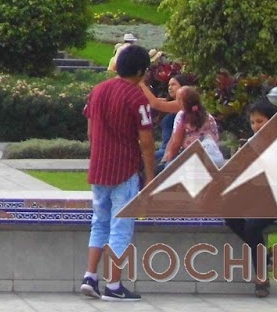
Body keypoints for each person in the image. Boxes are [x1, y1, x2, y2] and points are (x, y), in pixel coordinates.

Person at [78, 43, 156, 302]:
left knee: (99, 222)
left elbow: (90, 131)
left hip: (98, 168)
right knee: (120, 227)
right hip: (124, 170)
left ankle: (90, 276)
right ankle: (113, 284)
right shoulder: (137, 98)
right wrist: (150, 176)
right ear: (141, 71)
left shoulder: (98, 90)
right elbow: (146, 142)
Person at [224, 98, 277, 299]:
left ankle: (262, 278)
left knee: (253, 227)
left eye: (260, 121)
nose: (256, 126)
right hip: (257, 193)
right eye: (253, 122)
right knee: (230, 214)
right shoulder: (252, 143)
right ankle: (264, 257)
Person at [163, 86, 224, 168]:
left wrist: (168, 158)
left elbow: (176, 144)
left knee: (167, 168)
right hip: (213, 157)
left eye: (178, 99)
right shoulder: (207, 116)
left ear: (182, 102)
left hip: (193, 158)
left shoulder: (183, 117)